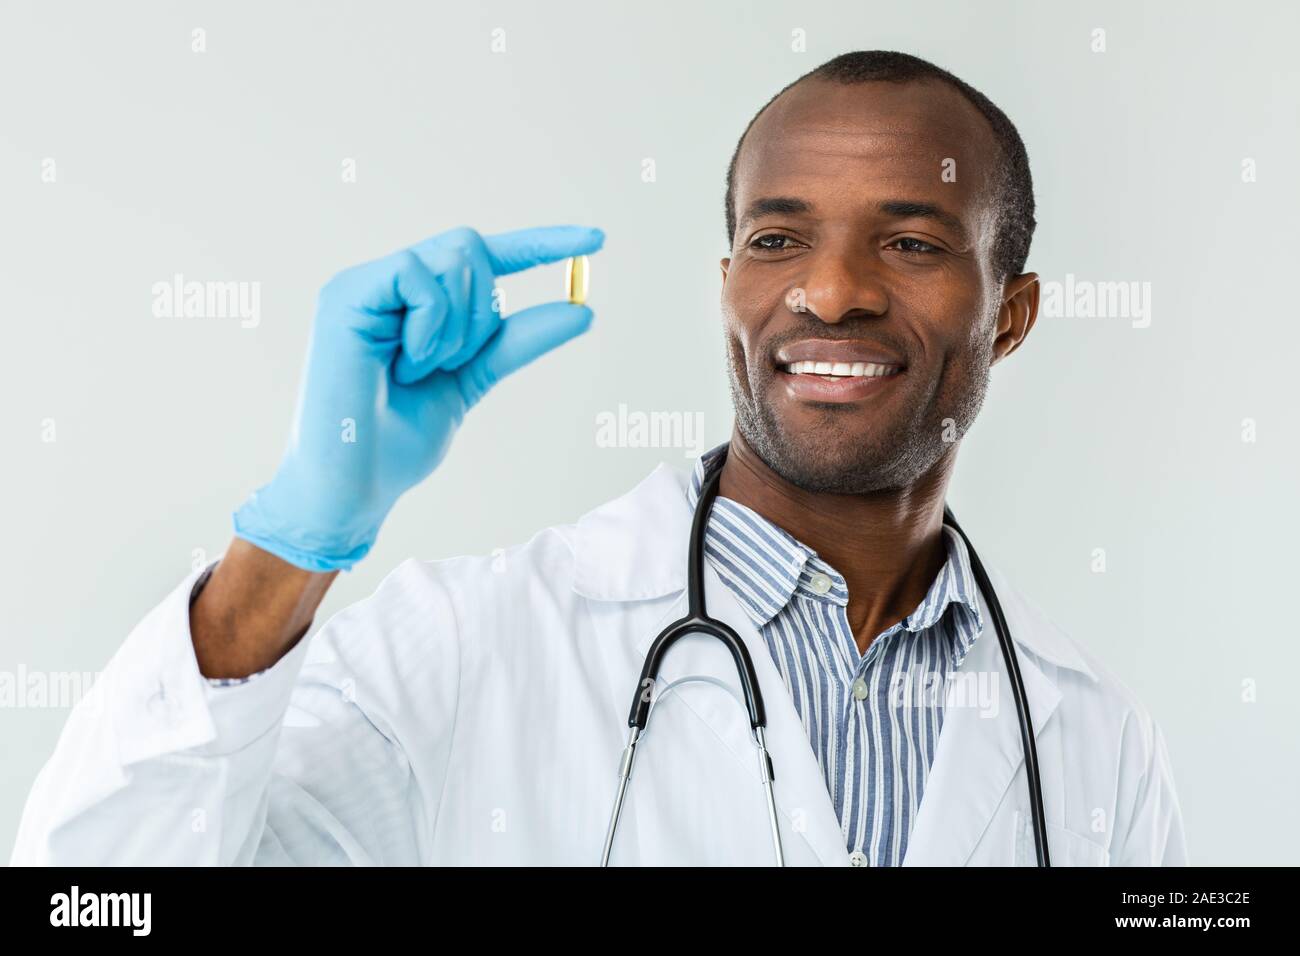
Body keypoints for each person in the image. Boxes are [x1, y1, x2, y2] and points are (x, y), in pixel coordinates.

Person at [11, 50, 1186, 866]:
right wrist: (286, 546)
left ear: (1012, 312)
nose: (829, 290)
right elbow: (98, 894)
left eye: (912, 240)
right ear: (726, 287)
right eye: (775, 239)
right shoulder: (473, 646)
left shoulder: (1089, 733)